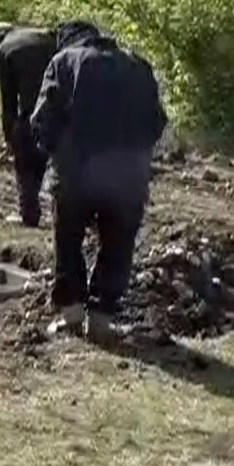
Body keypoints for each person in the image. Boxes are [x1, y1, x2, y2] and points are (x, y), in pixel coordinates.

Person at [29, 20, 169, 343]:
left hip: (77, 173)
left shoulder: (63, 62)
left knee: (68, 243)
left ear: (68, 40)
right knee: (117, 248)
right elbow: (157, 122)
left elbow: (42, 120)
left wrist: (56, 154)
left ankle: (73, 315)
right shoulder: (138, 65)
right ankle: (102, 321)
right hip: (128, 178)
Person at [0, 21, 58, 227]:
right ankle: (72, 217)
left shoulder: (4, 52)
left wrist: (9, 137)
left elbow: (8, 104)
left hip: (31, 116)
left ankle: (29, 215)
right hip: (60, 113)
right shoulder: (45, 36)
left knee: (25, 164)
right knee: (62, 167)